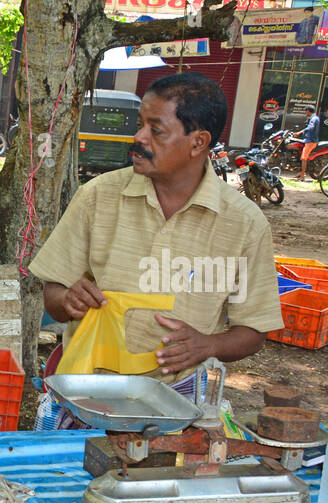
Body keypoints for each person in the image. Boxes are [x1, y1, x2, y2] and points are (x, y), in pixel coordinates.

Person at [30, 72, 283, 430]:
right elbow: (52, 295)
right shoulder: (98, 197)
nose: (138, 138)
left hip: (181, 402)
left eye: (155, 130)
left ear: (198, 143)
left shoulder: (243, 223)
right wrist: (67, 300)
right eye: (139, 125)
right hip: (86, 396)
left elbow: (254, 330)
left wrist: (207, 345)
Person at [295, 104, 321, 180]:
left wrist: (299, 132)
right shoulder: (313, 118)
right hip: (309, 140)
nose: (306, 113)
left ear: (308, 111)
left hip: (311, 141)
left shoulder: (314, 118)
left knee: (304, 158)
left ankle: (302, 176)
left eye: (306, 111)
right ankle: (300, 173)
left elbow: (311, 127)